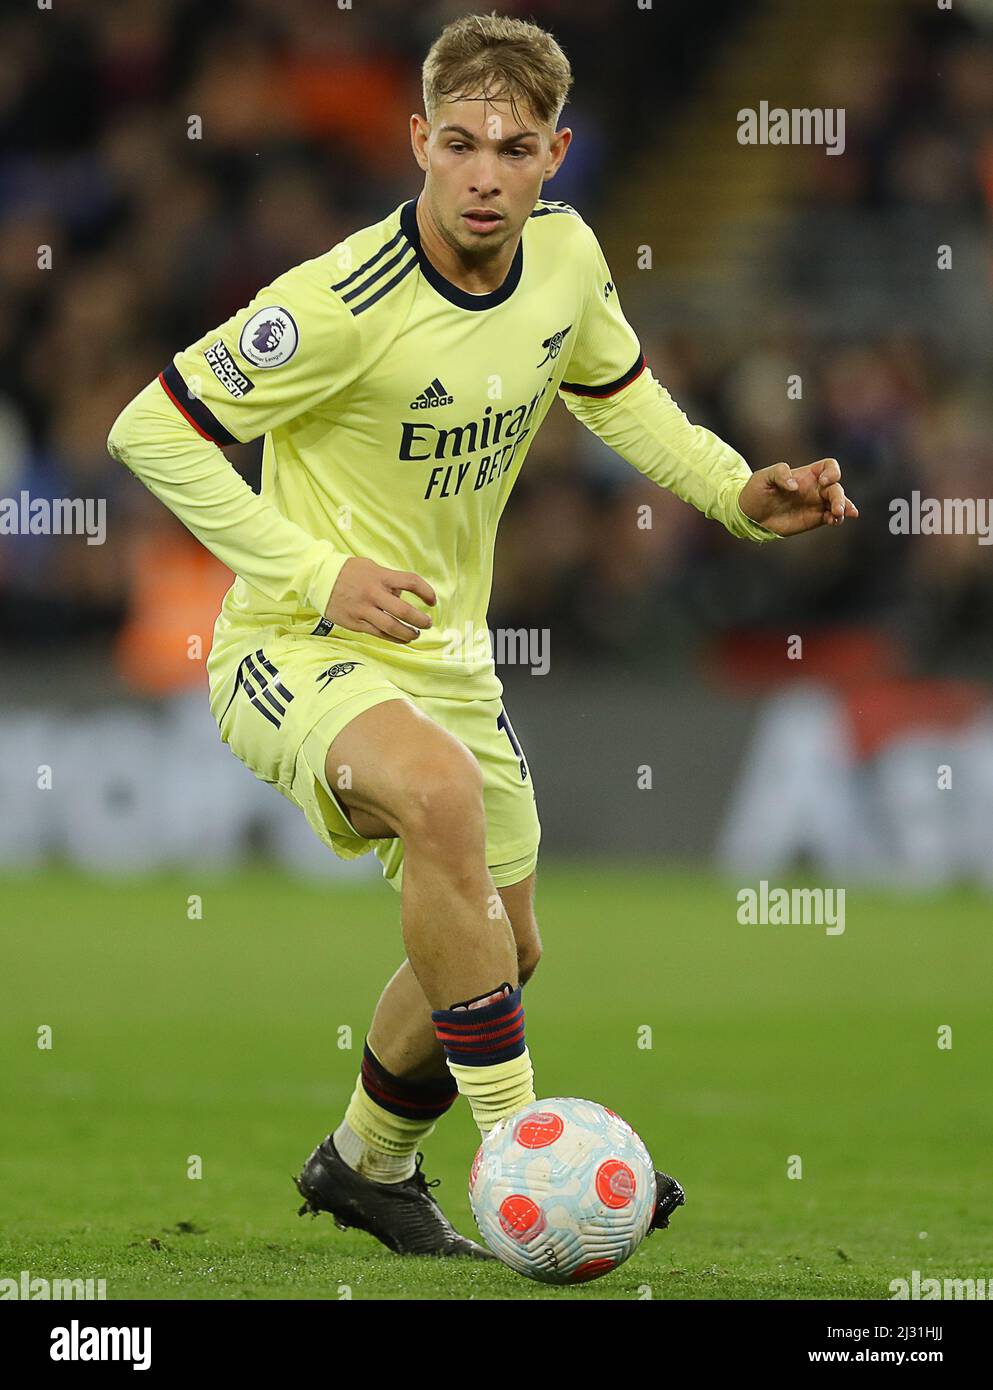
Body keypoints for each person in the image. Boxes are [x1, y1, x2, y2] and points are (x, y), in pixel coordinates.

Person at [107, 13, 857, 1260]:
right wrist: (317, 569)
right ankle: (529, 1148)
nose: (484, 173)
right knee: (441, 800)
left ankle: (364, 1161)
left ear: (557, 152)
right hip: (290, 643)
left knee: (505, 950)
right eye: (459, 143)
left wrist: (737, 491)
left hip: (444, 654)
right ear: (419, 141)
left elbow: (622, 397)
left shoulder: (564, 260)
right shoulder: (343, 301)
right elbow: (149, 426)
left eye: (514, 148)